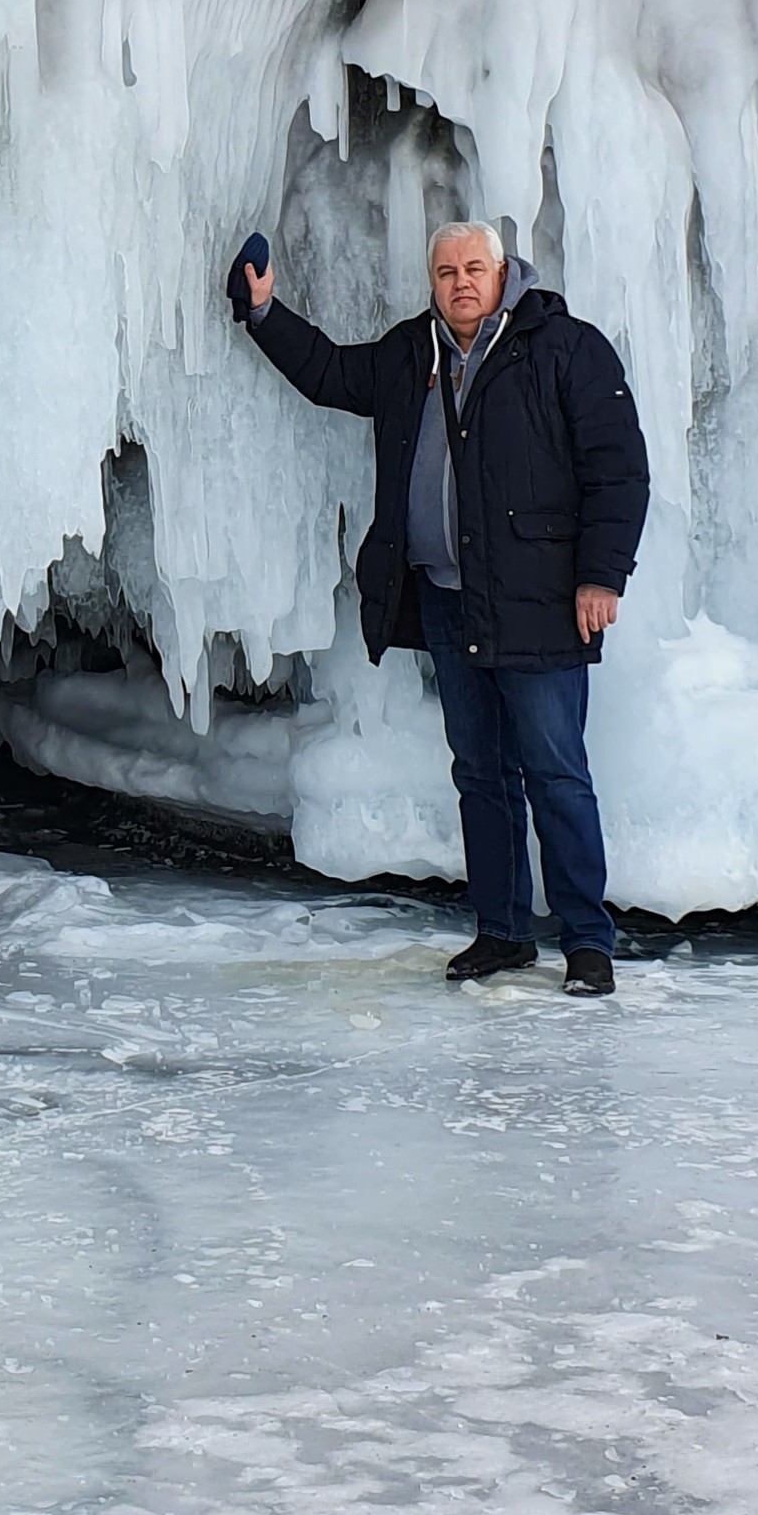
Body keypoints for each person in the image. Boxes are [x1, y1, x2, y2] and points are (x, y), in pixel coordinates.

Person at [229, 219, 648, 996]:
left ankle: (588, 943)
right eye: (446, 270)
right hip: (451, 603)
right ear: (432, 282)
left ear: (503, 273)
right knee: (481, 774)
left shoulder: (563, 348)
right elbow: (331, 374)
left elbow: (618, 468)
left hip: (540, 603)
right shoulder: (411, 352)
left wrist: (601, 576)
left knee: (556, 772)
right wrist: (264, 312)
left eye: (475, 268)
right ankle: (502, 933)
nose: (461, 281)